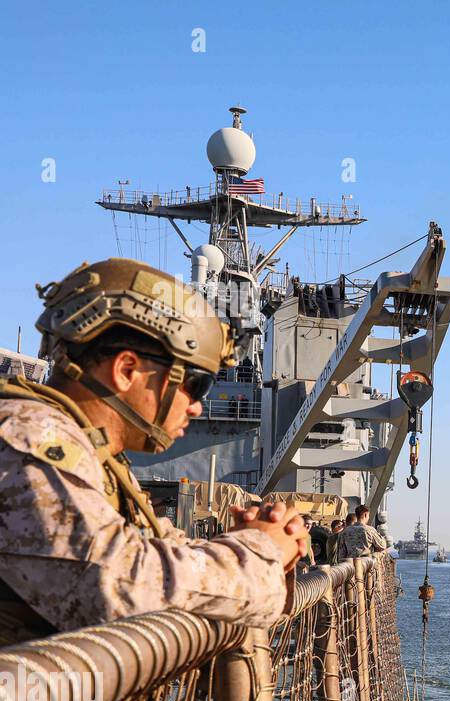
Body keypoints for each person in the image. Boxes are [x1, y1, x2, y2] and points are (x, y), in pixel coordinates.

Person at [0, 257, 309, 645]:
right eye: (195, 385)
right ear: (127, 369)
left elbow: (152, 547)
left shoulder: (97, 459)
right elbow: (118, 585)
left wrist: (268, 542)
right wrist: (260, 550)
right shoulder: (26, 441)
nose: (197, 406)